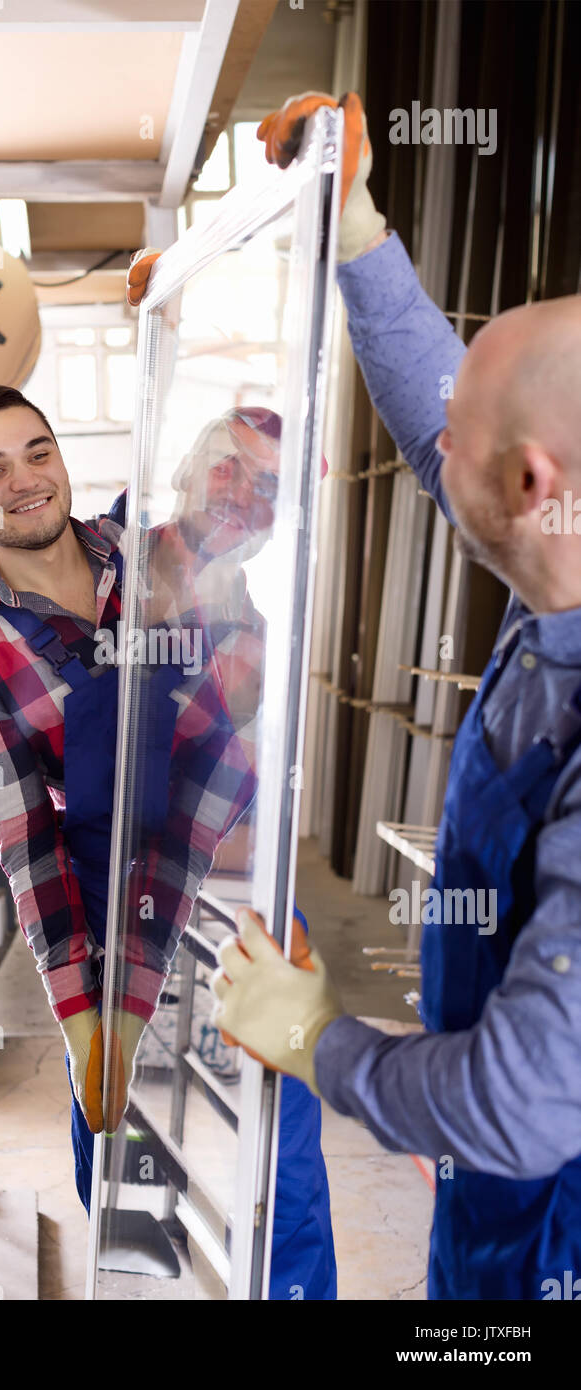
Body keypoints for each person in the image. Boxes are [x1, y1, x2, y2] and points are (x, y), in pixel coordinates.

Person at [205, 90, 581, 1301]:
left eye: (455, 433)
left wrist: (319, 1037)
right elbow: (443, 421)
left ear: (528, 479)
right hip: (499, 1198)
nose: (430, 443)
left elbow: (520, 1105)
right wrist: (358, 231)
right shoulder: (555, 560)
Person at [0, 389, 336, 1298]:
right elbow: (26, 842)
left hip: (235, 899)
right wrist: (85, 1028)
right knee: (129, 1199)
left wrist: (247, 456)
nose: (25, 479)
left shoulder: (158, 553)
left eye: (38, 451)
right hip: (104, 924)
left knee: (278, 1170)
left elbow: (246, 522)